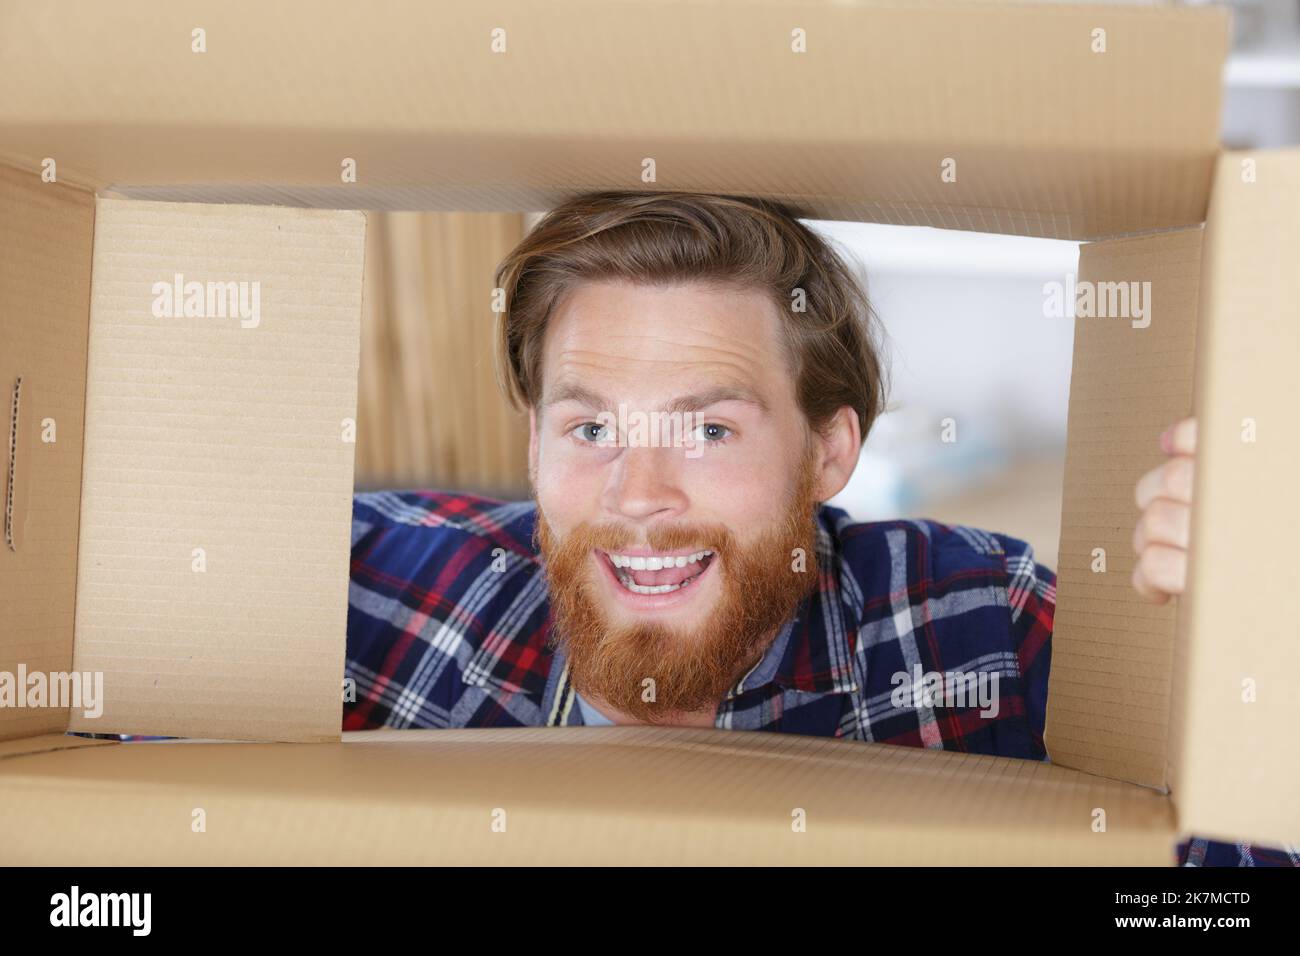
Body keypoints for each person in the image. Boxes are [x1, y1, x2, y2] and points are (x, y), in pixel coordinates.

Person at [345, 191, 1295, 866]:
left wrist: (1259, 678)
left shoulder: (979, 635)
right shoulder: (391, 597)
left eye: (709, 430)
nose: (637, 496)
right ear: (533, 443)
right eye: (590, 428)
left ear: (829, 453)